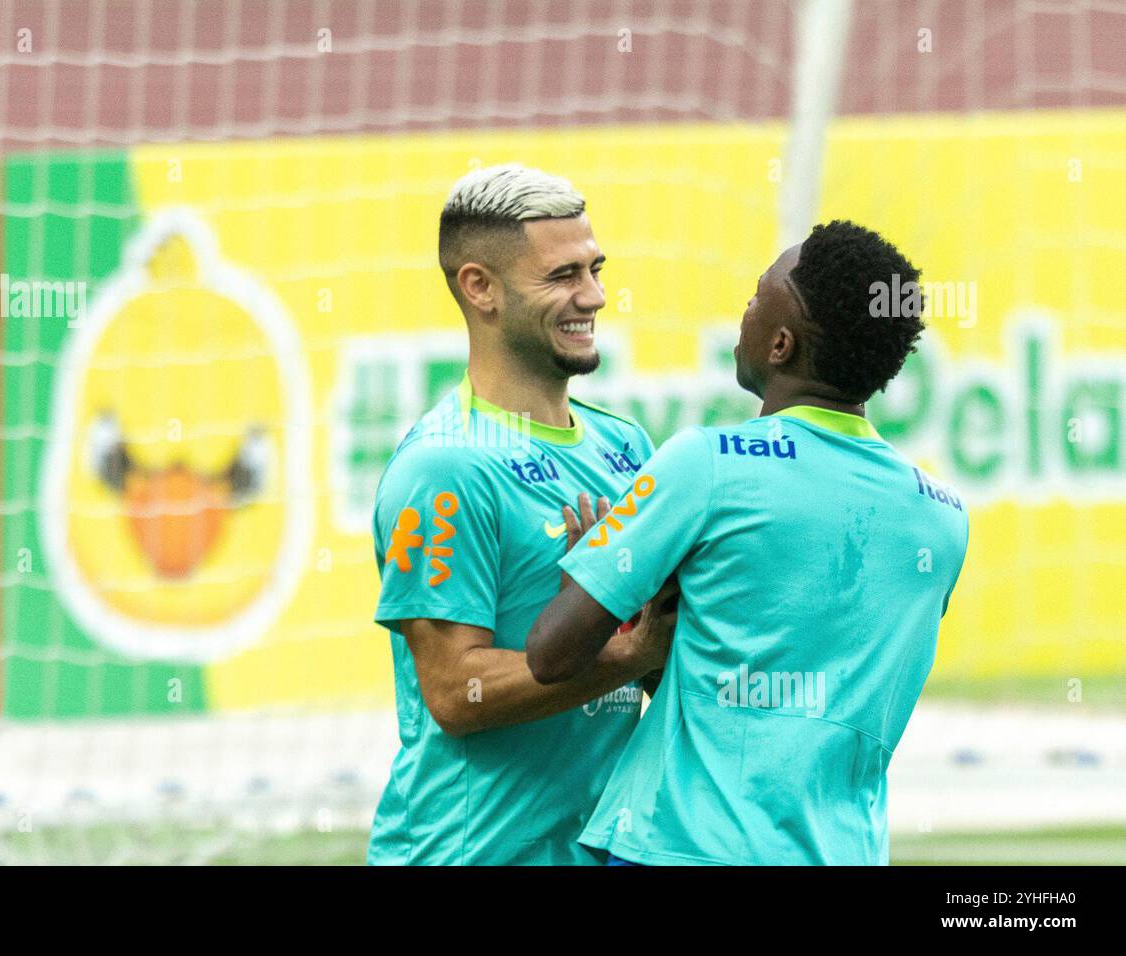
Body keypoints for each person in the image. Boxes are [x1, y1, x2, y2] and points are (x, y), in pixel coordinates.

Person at [526, 220, 969, 865]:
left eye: (760, 296)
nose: (747, 310)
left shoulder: (706, 464)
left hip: (681, 846)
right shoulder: (944, 519)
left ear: (782, 345)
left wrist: (592, 568)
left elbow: (551, 656)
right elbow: (748, 682)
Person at [367, 163, 673, 865]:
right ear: (481, 288)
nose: (592, 296)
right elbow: (452, 689)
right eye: (563, 276)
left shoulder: (628, 448)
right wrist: (626, 650)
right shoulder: (443, 469)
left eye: (595, 269)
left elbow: (659, 661)